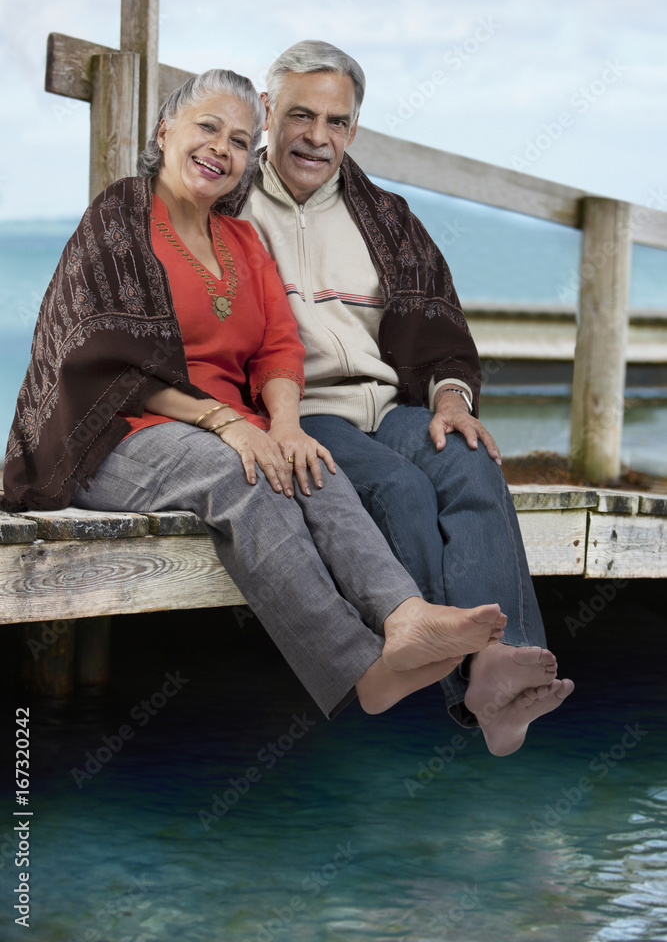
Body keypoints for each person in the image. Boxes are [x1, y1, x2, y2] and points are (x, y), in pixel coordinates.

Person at [2, 69, 511, 723]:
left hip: (222, 426)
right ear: (166, 131)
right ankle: (361, 671)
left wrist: (286, 423)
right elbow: (97, 353)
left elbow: (278, 346)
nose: (221, 148)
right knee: (241, 474)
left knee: (308, 466)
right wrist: (226, 422)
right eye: (207, 128)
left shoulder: (240, 238)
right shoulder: (123, 218)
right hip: (116, 433)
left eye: (240, 140)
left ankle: (405, 616)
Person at [215, 42, 575, 756]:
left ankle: (503, 663)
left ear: (353, 129)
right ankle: (478, 674)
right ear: (265, 112)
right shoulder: (223, 205)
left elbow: (439, 319)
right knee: (399, 489)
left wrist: (448, 398)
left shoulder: (385, 215)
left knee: (468, 459)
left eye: (337, 122)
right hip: (300, 411)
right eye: (300, 115)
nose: (318, 136)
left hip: (390, 406)